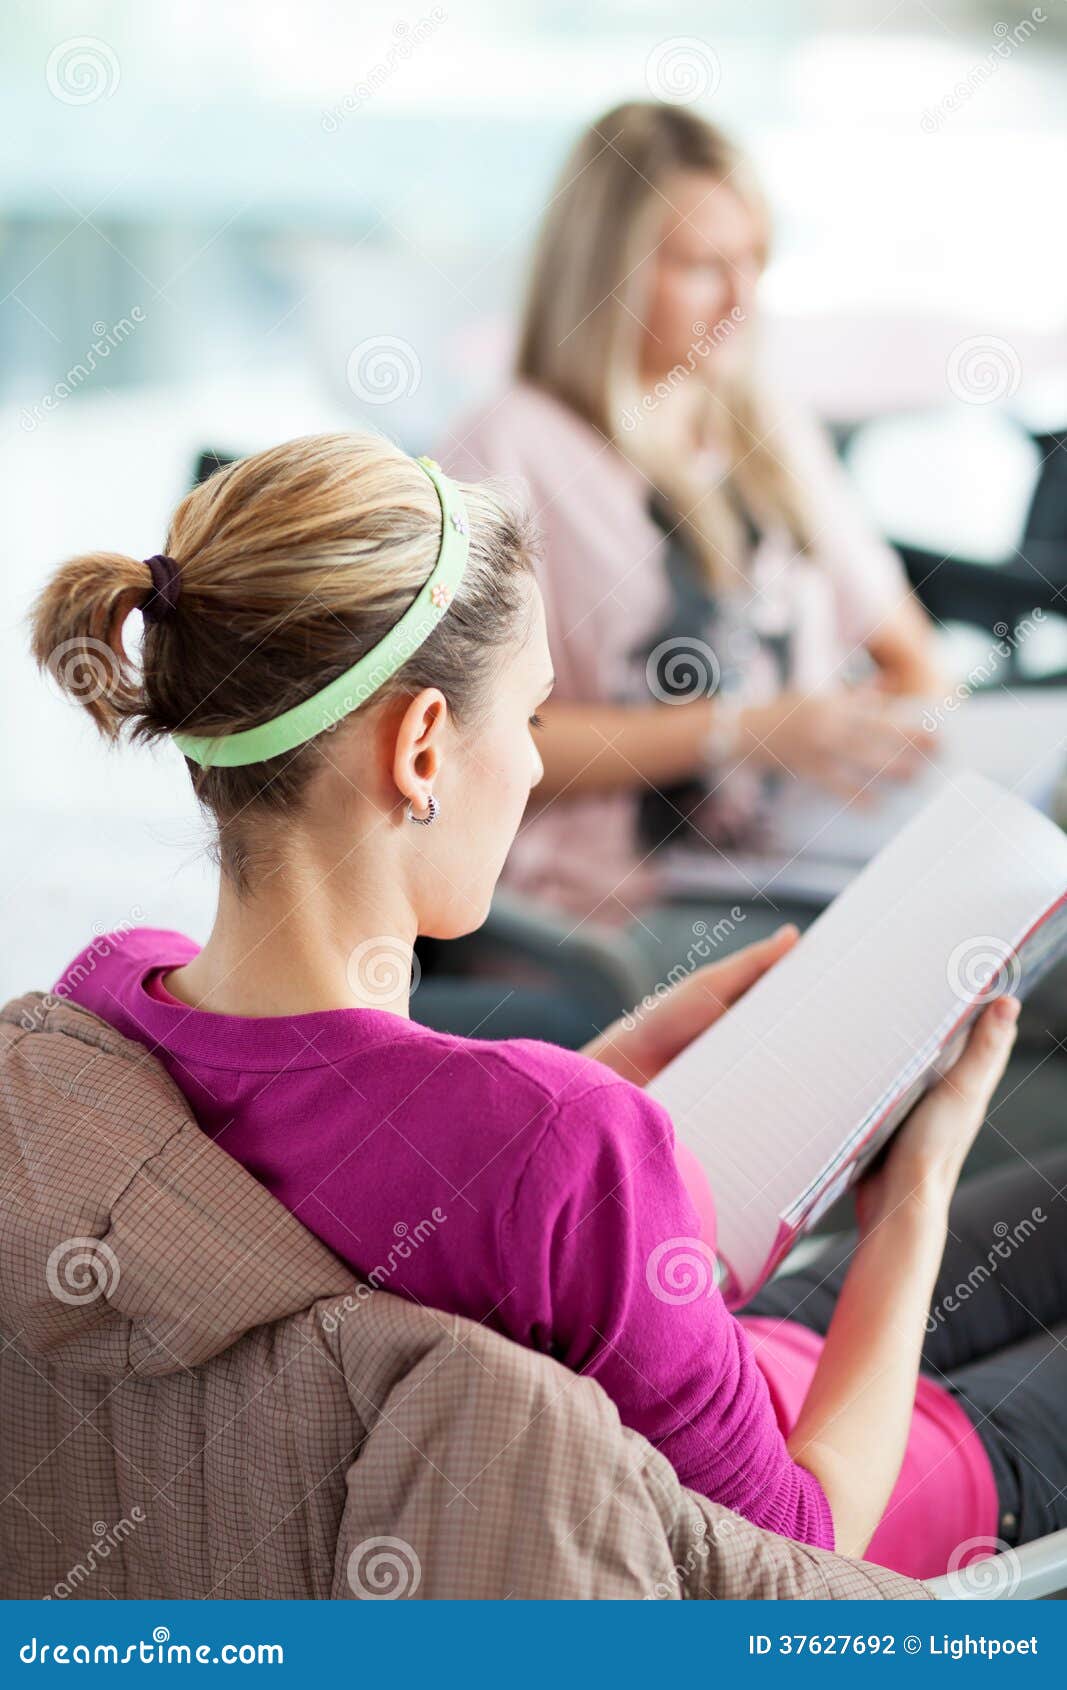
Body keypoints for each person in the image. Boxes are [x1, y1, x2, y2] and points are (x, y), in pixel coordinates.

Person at [32, 433, 1065, 1580]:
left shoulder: (108, 1001)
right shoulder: (557, 1141)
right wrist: (911, 1195)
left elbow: (397, 1203)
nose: (532, 767)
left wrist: (603, 1078)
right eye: (527, 718)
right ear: (420, 748)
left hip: (703, 1391)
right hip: (863, 1496)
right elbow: (799, 1548)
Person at [435, 101, 943, 964]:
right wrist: (742, 731)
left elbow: (910, 658)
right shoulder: (504, 448)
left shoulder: (770, 431)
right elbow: (468, 742)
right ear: (607, 275)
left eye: (755, 262)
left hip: (807, 872)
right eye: (705, 266)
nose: (745, 300)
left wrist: (855, 741)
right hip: (612, 918)